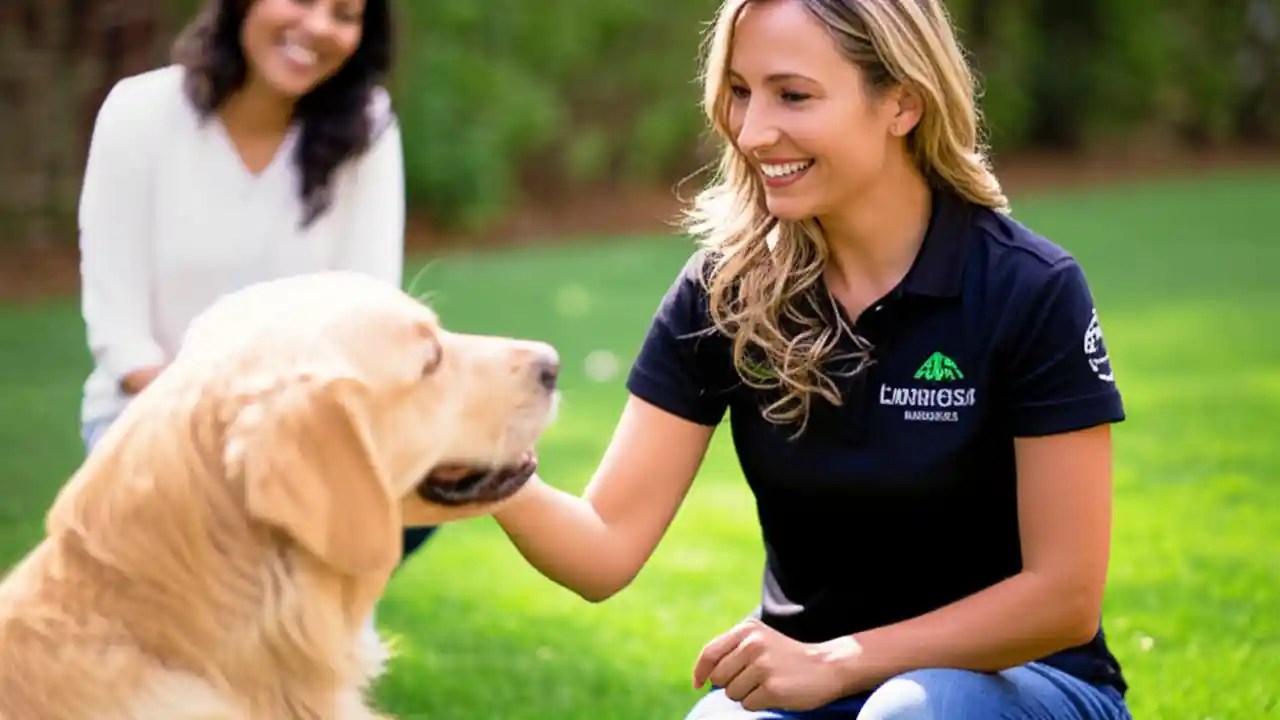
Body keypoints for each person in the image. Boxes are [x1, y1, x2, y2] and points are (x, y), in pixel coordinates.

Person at [494, 1, 1132, 718]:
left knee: (910, 712)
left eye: (792, 95)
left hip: (1029, 683)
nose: (752, 130)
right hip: (820, 685)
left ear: (902, 103)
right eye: (739, 91)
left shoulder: (1028, 289)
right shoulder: (725, 294)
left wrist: (840, 662)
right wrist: (490, 466)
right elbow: (604, 548)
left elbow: (1065, 600)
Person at [75, 0, 438, 556]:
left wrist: (290, 440)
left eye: (344, 14)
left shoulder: (367, 124)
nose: (317, 26)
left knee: (433, 466)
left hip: (304, 435)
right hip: (148, 423)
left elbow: (367, 313)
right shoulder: (140, 112)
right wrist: (233, 434)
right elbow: (120, 334)